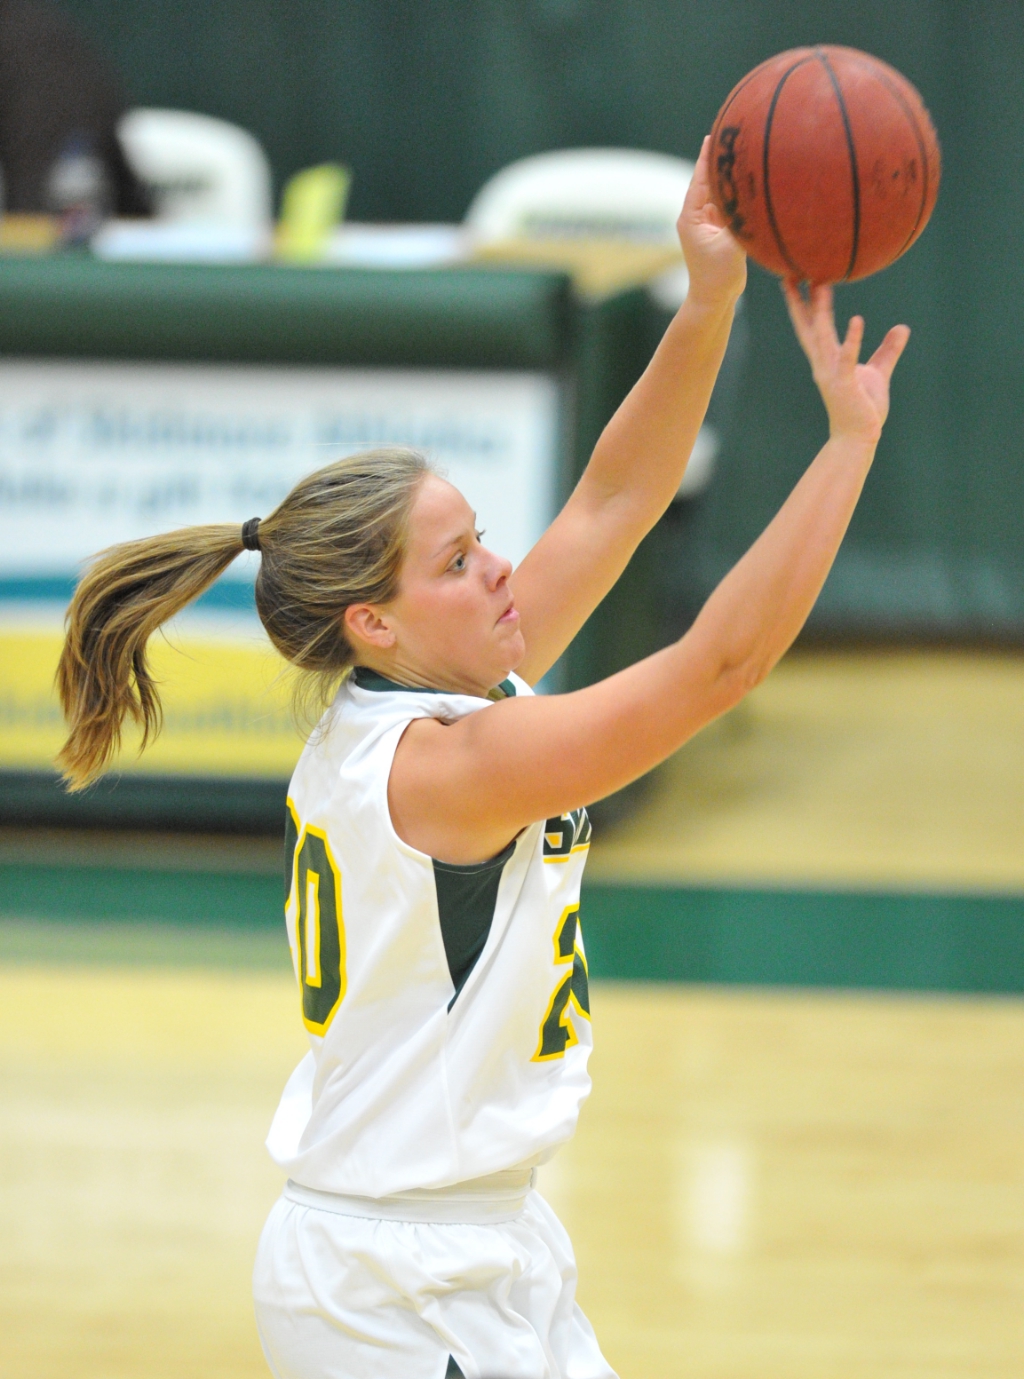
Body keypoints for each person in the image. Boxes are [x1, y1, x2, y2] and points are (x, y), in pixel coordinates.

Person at [55, 137, 908, 1379]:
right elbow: (718, 666)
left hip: (481, 1245)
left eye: (483, 538)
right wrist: (845, 450)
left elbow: (614, 502)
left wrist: (710, 296)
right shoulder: (446, 765)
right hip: (394, 1285)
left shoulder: (455, 685)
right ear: (375, 623)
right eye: (457, 562)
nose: (502, 569)